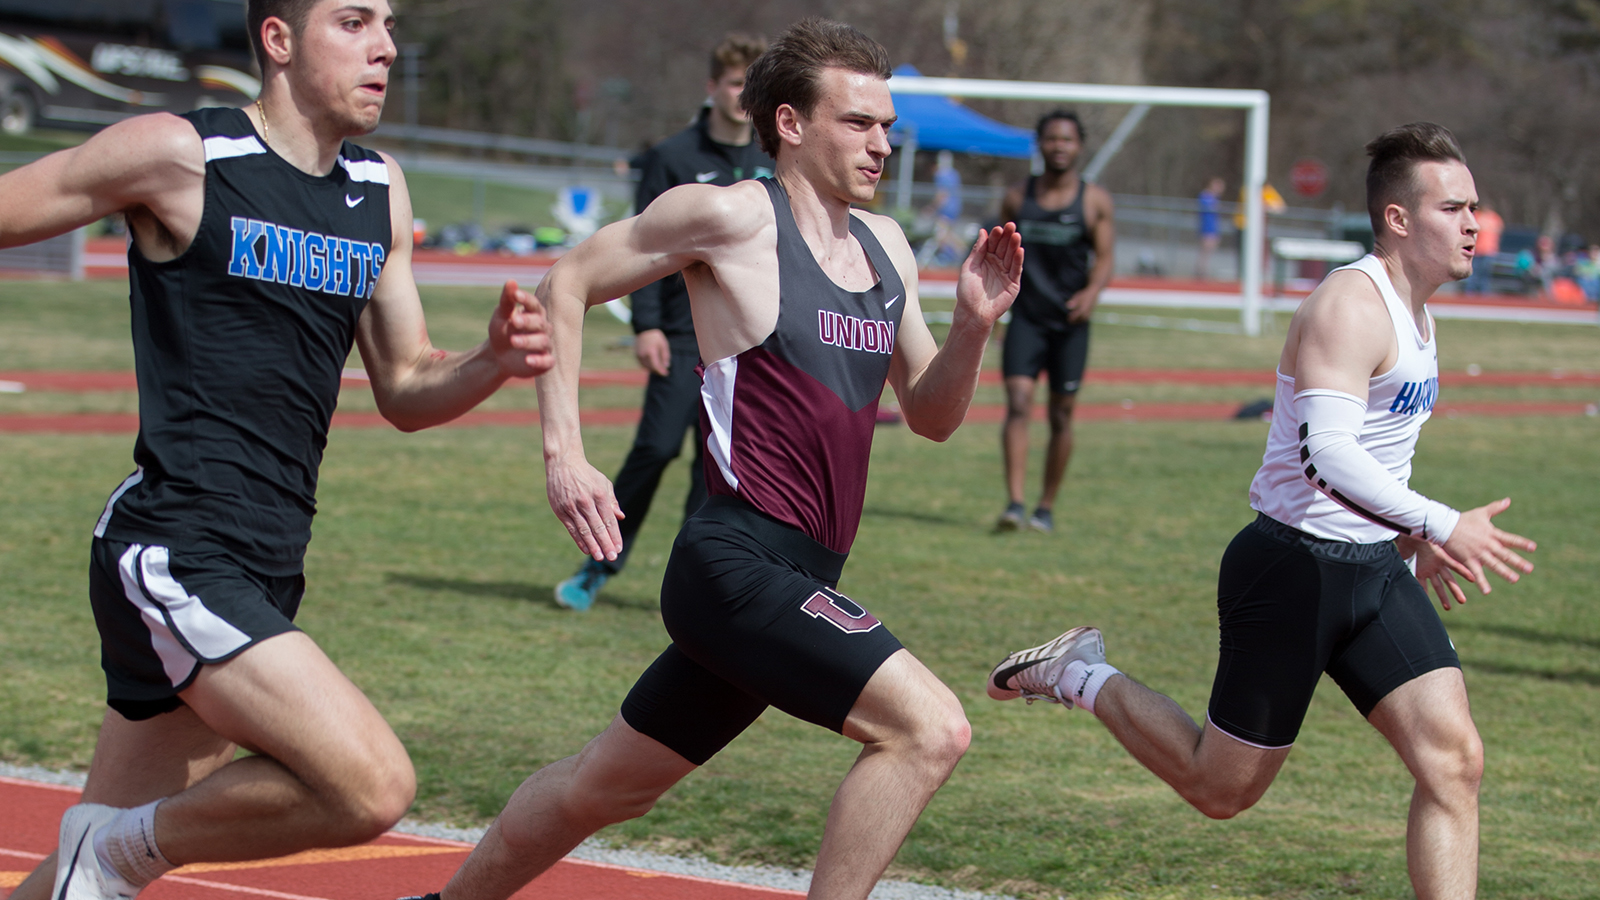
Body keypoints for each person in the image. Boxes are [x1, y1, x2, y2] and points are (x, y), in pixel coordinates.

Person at [405, 19, 1021, 900]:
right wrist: (565, 454)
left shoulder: (885, 246)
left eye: (887, 125)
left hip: (802, 576)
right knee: (930, 730)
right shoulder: (729, 216)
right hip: (733, 562)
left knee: (602, 787)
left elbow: (930, 414)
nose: (882, 143)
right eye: (858, 122)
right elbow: (565, 281)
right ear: (791, 123)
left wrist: (971, 325)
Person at [0, 3, 554, 899]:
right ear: (279, 39)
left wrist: (491, 361)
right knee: (371, 784)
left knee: (85, 884)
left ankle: (95, 857)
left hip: (267, 558)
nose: (385, 46)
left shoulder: (378, 188)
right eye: (353, 20)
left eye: (388, 23)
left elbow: (407, 387)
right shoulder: (181, 154)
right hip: (175, 546)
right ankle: (104, 851)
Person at [986, 123, 1537, 900]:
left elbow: (1381, 454)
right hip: (1292, 569)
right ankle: (1080, 672)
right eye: (1454, 208)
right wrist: (1443, 522)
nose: (1475, 224)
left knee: (1454, 761)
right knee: (1221, 789)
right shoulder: (1351, 302)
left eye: (1475, 206)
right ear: (1399, 219)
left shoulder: (1421, 311)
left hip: (1375, 573)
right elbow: (1328, 455)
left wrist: (1414, 536)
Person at [552, 33, 773, 611]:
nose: (740, 95)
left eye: (750, 85)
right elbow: (635, 243)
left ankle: (699, 583)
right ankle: (599, 563)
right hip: (678, 336)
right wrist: (645, 325)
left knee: (717, 469)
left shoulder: (770, 160)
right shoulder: (673, 157)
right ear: (711, 88)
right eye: (732, 84)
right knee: (654, 447)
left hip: (744, 344)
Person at [995, 110, 1114, 533]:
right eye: (1051, 139)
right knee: (1019, 405)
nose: (1059, 146)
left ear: (1079, 146)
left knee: (1061, 415)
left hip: (1070, 324)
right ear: (1039, 145)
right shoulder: (1016, 197)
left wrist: (1092, 291)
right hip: (1026, 319)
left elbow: (1105, 257)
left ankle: (1044, 507)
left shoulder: (1093, 200)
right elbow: (999, 255)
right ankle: (1014, 503)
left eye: (1067, 139)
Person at [915, 149, 964, 267]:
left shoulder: (941, 174)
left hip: (946, 210)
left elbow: (942, 195)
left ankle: (962, 255)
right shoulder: (953, 173)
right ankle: (963, 253)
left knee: (941, 236)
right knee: (947, 235)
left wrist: (931, 208)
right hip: (955, 208)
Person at [1464, 202, 1502, 294]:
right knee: (1473, 272)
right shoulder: (1478, 216)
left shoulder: (1494, 218)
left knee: (1485, 274)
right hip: (1477, 250)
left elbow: (1498, 231)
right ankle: (1470, 293)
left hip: (1489, 251)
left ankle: (1483, 293)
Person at [1196, 175, 1224, 279]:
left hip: (1213, 228)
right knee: (1204, 252)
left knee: (1208, 252)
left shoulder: (1215, 198)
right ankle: (1201, 273)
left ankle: (1203, 273)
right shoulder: (1205, 196)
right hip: (1206, 228)